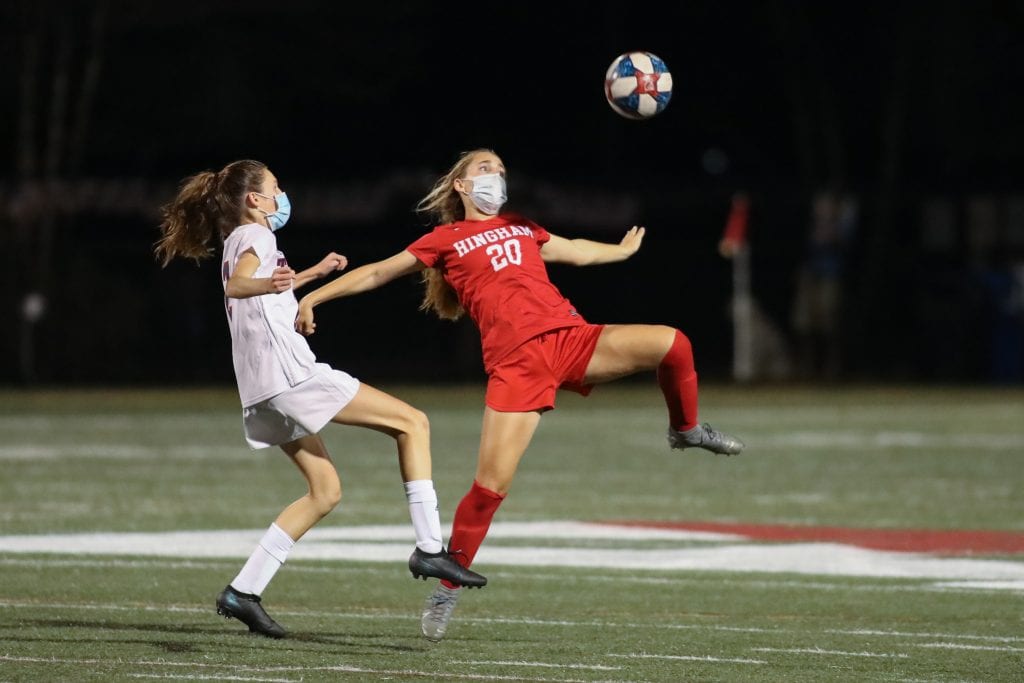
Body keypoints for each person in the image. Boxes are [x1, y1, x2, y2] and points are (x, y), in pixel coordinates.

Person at [295, 149, 744, 642]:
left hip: (571, 339)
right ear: (461, 185)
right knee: (489, 490)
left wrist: (619, 252)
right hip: (517, 366)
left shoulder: (520, 226)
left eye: (501, 171)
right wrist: (316, 295)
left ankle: (686, 429)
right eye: (485, 169)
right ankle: (446, 588)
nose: (497, 176)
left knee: (674, 343)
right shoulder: (445, 239)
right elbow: (378, 272)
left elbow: (574, 249)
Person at [153, 159, 485, 639]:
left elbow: (267, 293)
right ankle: (430, 548)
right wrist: (268, 282)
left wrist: (314, 273)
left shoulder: (239, 239)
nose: (281, 195)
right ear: (255, 199)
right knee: (413, 422)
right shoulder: (257, 235)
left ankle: (243, 592)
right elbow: (239, 285)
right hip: (291, 377)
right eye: (276, 187)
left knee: (324, 492)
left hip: (261, 389)